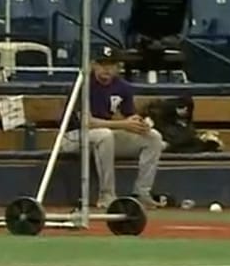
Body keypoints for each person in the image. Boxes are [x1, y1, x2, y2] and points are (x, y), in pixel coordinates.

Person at [59, 48, 166, 210]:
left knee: (154, 137)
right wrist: (123, 124)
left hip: (103, 136)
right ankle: (106, 195)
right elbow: (86, 122)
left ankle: (142, 193)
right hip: (72, 137)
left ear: (118, 67)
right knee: (105, 135)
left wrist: (140, 124)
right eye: (102, 65)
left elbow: (129, 116)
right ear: (94, 66)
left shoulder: (122, 87)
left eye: (110, 65)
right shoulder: (83, 84)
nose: (106, 69)